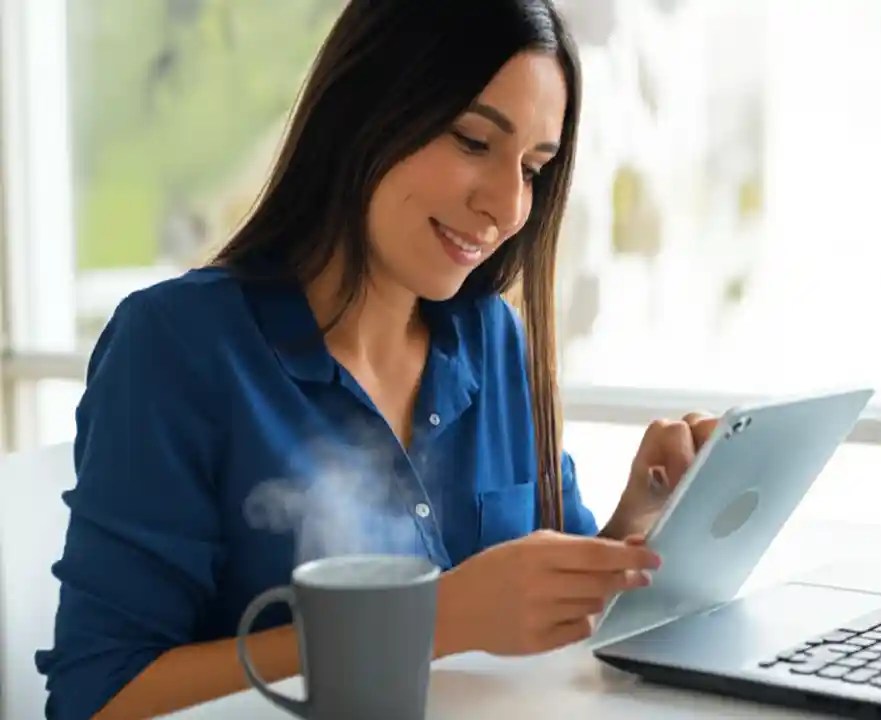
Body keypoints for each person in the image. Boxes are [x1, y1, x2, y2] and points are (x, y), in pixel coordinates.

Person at [35, 2, 718, 718]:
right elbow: (100, 696)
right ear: (366, 107)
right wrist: (423, 620)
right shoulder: (177, 347)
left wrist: (642, 523)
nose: (508, 205)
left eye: (534, 169)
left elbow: (546, 612)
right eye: (473, 141)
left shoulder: (492, 339)